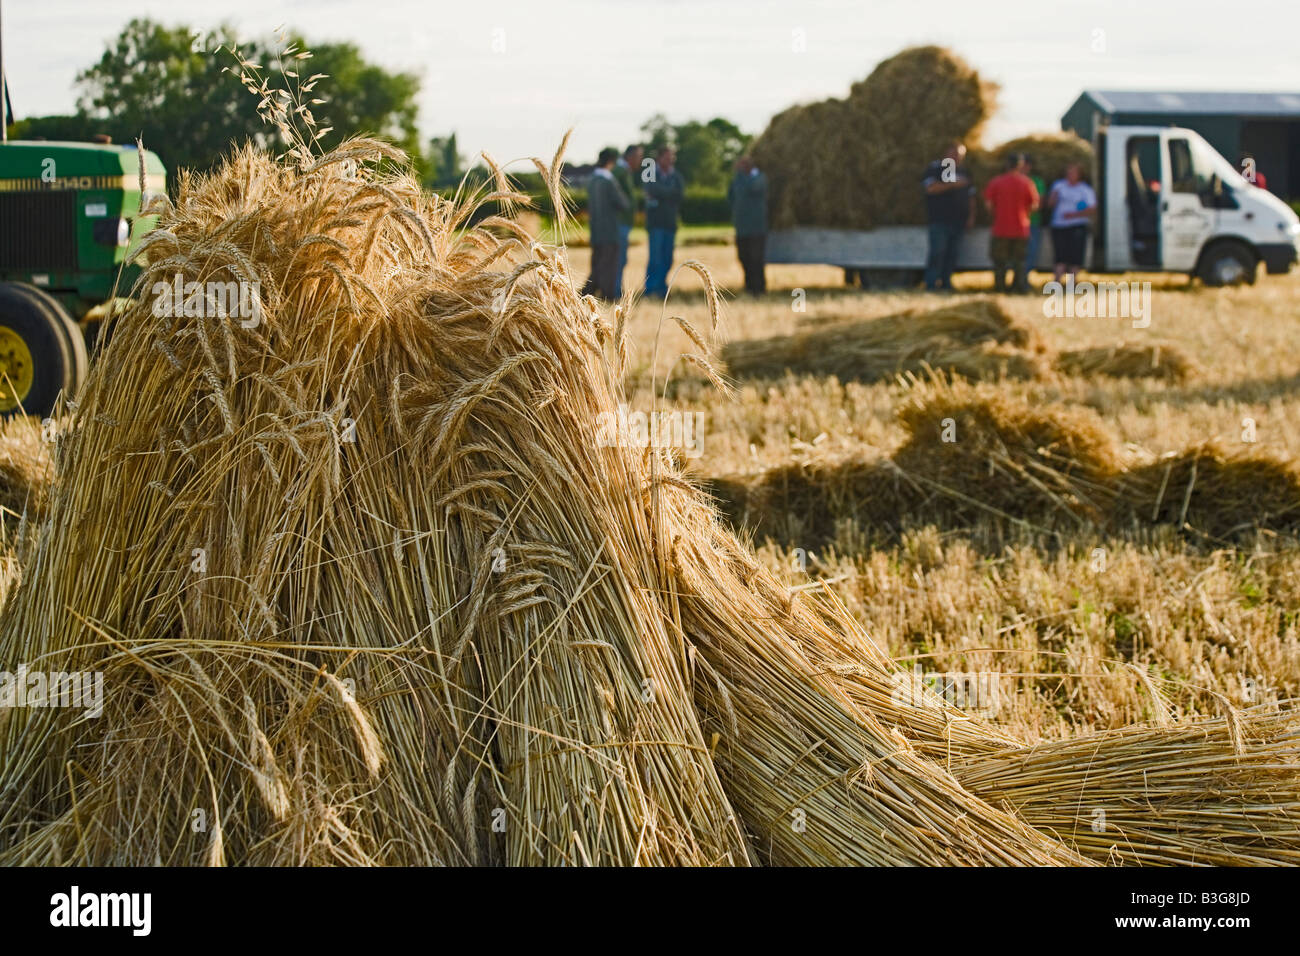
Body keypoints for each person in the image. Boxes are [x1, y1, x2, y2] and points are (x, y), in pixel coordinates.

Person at [921, 142, 976, 291]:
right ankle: (931, 284)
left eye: (960, 155)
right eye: (954, 154)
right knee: (937, 253)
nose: (957, 158)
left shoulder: (964, 172)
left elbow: (971, 196)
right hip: (939, 220)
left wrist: (971, 216)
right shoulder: (935, 169)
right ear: (946, 153)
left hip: (958, 220)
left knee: (952, 254)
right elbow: (930, 188)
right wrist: (953, 185)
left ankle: (946, 283)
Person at [983, 153, 1039, 293]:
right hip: (1021, 228)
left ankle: (1000, 288)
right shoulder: (1026, 182)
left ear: (1007, 164)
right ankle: (1019, 288)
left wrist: (997, 214)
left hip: (1001, 227)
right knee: (1019, 261)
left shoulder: (996, 182)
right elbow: (1034, 205)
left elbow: (988, 204)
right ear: (1020, 165)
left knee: (999, 261)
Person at [581, 147, 629, 301]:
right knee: (609, 265)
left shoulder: (592, 180)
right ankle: (607, 296)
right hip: (609, 229)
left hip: (595, 229)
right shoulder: (608, 181)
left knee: (597, 263)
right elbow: (622, 203)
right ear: (611, 162)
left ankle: (587, 293)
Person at [643, 147, 685, 297]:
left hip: (670, 223)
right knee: (655, 258)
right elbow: (650, 190)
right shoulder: (650, 173)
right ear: (659, 158)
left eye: (672, 157)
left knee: (667, 257)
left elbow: (679, 195)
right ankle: (651, 288)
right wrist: (669, 193)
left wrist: (661, 194)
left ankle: (661, 287)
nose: (670, 160)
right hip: (655, 223)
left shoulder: (677, 176)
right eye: (667, 157)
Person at [1045, 162, 1097, 280]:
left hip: (1077, 225)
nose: (1070, 175)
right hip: (1059, 225)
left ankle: (1071, 284)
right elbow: (1050, 204)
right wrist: (1054, 196)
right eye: (1068, 172)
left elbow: (1092, 209)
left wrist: (1074, 215)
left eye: (1073, 173)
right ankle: (1057, 282)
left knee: (1075, 256)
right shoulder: (1058, 186)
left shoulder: (1085, 189)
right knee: (1060, 255)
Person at [728, 156, 769, 295]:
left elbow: (752, 189)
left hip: (757, 227)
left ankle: (759, 288)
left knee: (756, 259)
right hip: (742, 227)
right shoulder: (738, 180)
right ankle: (749, 286)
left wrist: (740, 175)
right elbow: (732, 195)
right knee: (743, 257)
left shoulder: (759, 178)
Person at [613, 145, 642, 297]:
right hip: (620, 222)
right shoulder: (620, 172)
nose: (640, 160)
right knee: (619, 258)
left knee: (620, 258)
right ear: (629, 156)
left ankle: (616, 289)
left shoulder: (624, 172)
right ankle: (615, 291)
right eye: (638, 156)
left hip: (623, 222)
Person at [1022, 155, 1047, 282]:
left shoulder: (1036, 182)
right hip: (1016, 224)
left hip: (1032, 223)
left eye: (1025, 164)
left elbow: (1039, 203)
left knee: (1031, 252)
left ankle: (1024, 280)